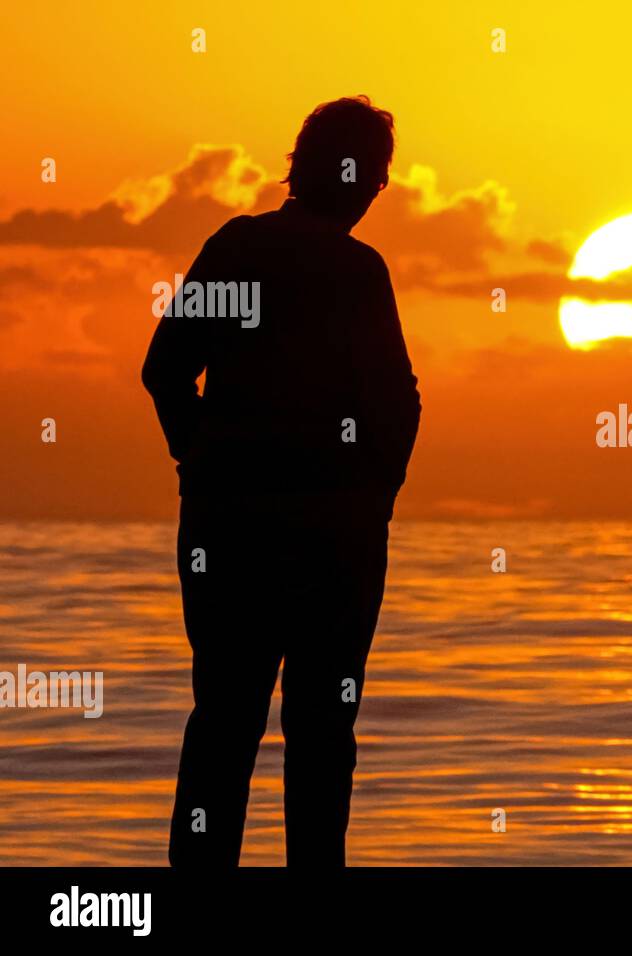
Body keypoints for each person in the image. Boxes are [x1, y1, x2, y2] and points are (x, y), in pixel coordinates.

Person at [142, 96, 420, 866]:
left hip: (228, 528)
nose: (378, 191)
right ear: (354, 175)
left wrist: (201, 463)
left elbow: (164, 369)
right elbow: (399, 405)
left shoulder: (235, 248)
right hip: (333, 535)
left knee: (224, 722)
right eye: (377, 175)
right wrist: (372, 501)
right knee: (323, 730)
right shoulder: (357, 270)